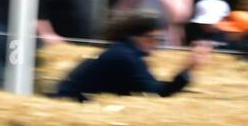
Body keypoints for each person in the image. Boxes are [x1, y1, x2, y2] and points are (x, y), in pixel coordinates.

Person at [53, 9, 210, 101]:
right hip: (71, 104)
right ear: (138, 36)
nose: (156, 46)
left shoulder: (125, 51)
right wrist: (189, 68)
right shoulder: (126, 57)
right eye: (154, 39)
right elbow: (157, 92)